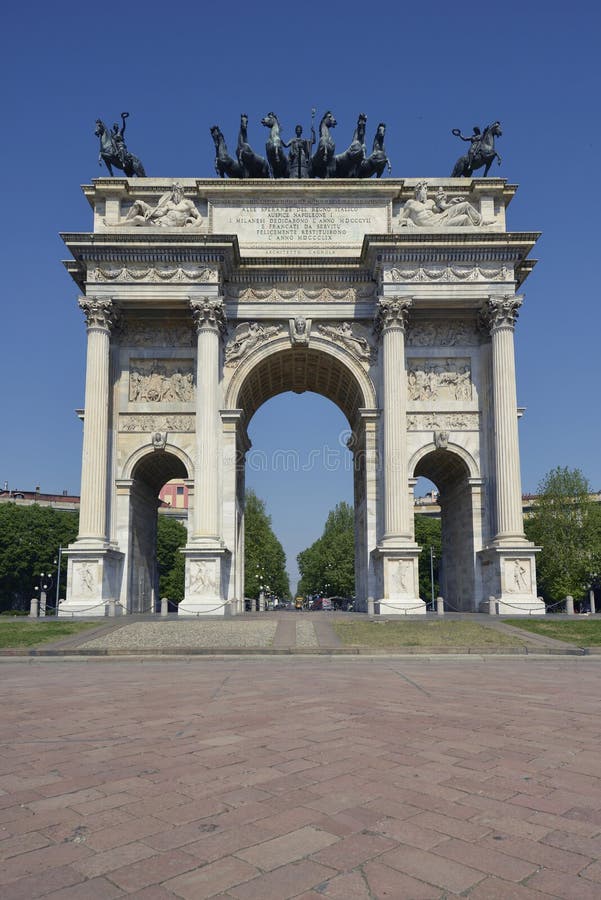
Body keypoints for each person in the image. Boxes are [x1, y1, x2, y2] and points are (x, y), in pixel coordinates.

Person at [398, 182, 484, 228]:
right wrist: (407, 222)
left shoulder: (430, 202)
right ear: (418, 191)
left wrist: (452, 202)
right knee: (464, 218)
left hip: (441, 218)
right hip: (435, 225)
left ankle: (481, 222)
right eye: (425, 189)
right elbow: (403, 219)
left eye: (427, 190)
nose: (426, 192)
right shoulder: (411, 203)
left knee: (465, 204)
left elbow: (441, 209)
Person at [124, 183, 203, 228]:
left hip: (167, 226)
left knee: (138, 219)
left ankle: (117, 227)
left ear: (181, 192)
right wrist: (150, 211)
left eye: (177, 190)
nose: (175, 193)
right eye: (174, 191)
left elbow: (199, 218)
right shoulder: (169, 203)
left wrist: (193, 227)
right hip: (159, 223)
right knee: (138, 207)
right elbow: (160, 213)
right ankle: (118, 227)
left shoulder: (188, 203)